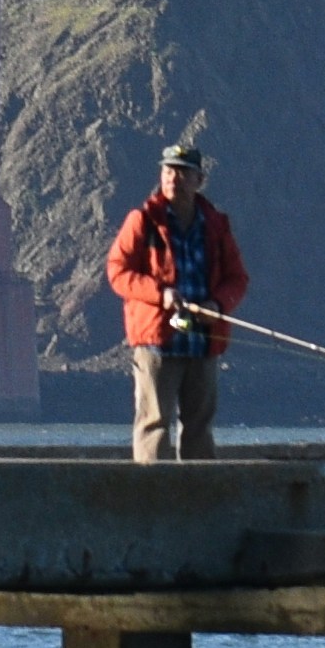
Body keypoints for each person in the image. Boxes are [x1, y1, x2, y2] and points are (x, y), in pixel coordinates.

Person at [106, 141, 247, 460]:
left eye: (183, 173)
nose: (173, 178)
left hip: (203, 341)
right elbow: (118, 271)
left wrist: (218, 305)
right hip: (157, 341)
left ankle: (198, 497)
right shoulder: (142, 220)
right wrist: (160, 294)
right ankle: (152, 494)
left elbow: (237, 279)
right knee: (154, 422)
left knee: (199, 424)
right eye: (168, 171)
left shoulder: (216, 225)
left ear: (199, 179)